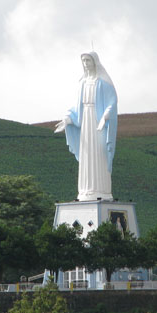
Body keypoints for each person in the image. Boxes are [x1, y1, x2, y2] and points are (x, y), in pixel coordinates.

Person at [55, 52, 118, 201]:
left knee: (99, 153)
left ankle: (101, 190)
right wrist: (67, 119)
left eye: (88, 60)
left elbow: (112, 101)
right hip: (85, 122)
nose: (85, 63)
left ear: (95, 61)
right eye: (83, 61)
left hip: (98, 122)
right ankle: (86, 190)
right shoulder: (82, 83)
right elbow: (76, 107)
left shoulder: (103, 82)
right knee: (87, 154)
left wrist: (105, 116)